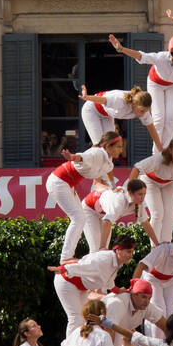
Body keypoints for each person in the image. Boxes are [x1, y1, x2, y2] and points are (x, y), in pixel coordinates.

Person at [48, 132, 124, 263]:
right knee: (78, 218)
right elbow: (81, 157)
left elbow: (109, 170)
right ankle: (65, 257)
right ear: (107, 146)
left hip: (67, 184)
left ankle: (67, 256)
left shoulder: (107, 160)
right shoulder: (97, 153)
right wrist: (71, 156)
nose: (121, 150)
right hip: (58, 182)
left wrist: (113, 187)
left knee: (80, 218)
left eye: (121, 146)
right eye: (118, 146)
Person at [49, 238, 137, 338]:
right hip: (66, 281)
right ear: (118, 250)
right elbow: (84, 265)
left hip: (80, 286)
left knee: (84, 317)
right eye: (128, 251)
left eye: (132, 252)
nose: (131, 255)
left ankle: (80, 344)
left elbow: (108, 279)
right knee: (75, 317)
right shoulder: (104, 259)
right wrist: (63, 269)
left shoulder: (117, 261)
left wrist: (116, 290)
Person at [77, 85, 163, 152]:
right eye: (141, 111)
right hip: (92, 110)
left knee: (110, 145)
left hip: (107, 115)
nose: (144, 114)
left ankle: (107, 174)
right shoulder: (120, 101)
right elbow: (103, 100)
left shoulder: (143, 110)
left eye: (146, 111)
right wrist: (87, 97)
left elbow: (151, 128)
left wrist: (160, 149)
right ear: (134, 104)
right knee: (99, 146)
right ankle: (90, 169)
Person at [81, 179, 156, 253]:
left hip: (103, 213)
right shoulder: (120, 200)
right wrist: (102, 247)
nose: (143, 197)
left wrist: (157, 243)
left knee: (103, 251)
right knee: (95, 249)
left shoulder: (138, 204)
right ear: (130, 193)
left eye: (144, 194)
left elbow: (146, 224)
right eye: (140, 194)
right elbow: (107, 222)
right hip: (89, 210)